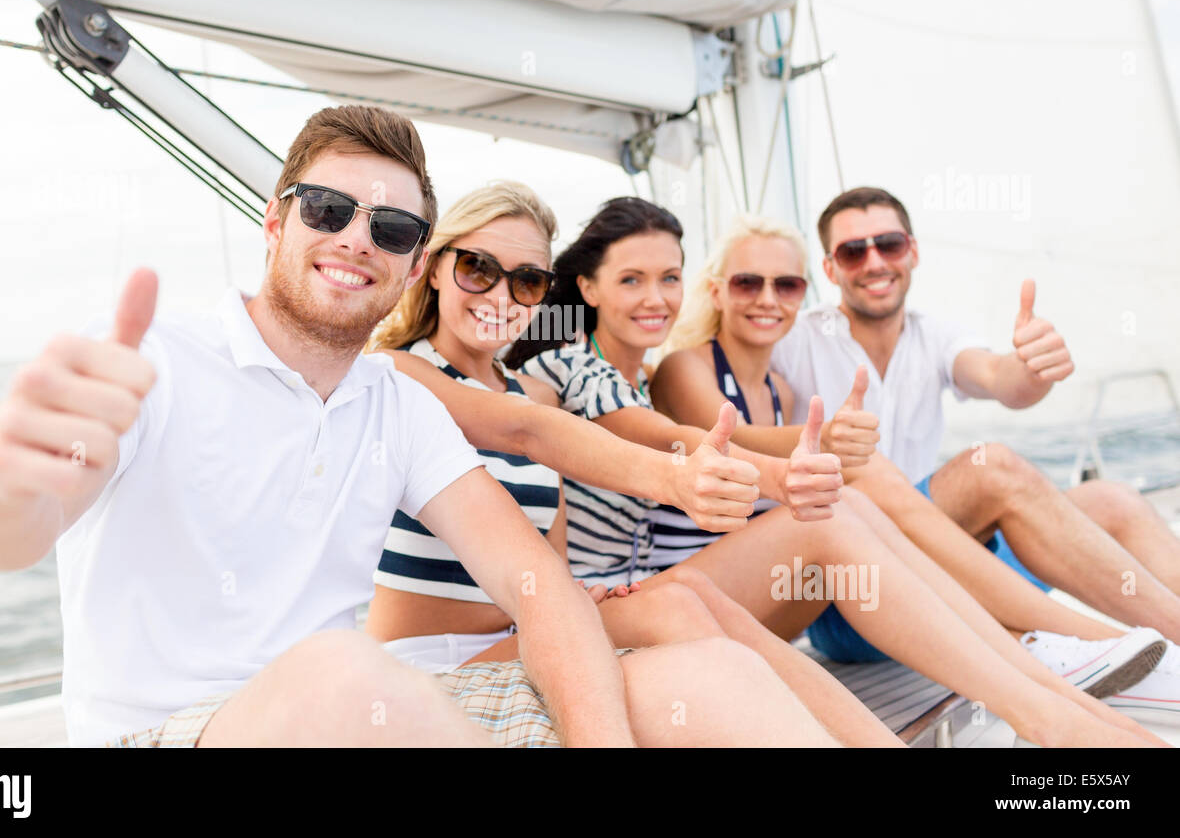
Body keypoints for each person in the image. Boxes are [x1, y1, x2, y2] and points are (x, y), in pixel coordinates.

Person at [0, 105, 803, 749]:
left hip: (361, 714)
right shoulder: (154, 357)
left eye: (390, 227)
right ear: (275, 221)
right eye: (326, 209)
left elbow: (537, 582)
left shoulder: (397, 403)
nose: (357, 238)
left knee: (707, 678)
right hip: (173, 735)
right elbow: (5, 532)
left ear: (411, 264)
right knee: (337, 672)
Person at [497, 197, 1162, 747]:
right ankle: (1051, 670)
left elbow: (997, 379)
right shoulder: (582, 368)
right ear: (585, 287)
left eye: (668, 277)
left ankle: (1051, 665)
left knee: (1090, 497)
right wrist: (804, 459)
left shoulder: (647, 376)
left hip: (704, 590)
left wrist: (1026, 373)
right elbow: (672, 439)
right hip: (650, 599)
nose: (656, 297)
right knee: (854, 492)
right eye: (631, 279)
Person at [367, 180, 905, 746]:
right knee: (675, 607)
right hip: (426, 667)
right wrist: (703, 478)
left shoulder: (535, 392)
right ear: (430, 268)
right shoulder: (399, 375)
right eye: (478, 269)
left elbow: (549, 559)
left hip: (526, 643)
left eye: (526, 281)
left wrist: (581, 597)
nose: (501, 296)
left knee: (685, 597)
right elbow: (526, 432)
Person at [651, 216, 1171, 709]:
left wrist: (1034, 370)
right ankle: (1069, 636)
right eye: (747, 283)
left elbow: (998, 378)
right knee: (907, 473)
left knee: (1110, 499)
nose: (768, 299)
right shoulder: (691, 367)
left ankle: (1126, 638)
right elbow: (731, 439)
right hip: (820, 594)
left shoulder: (783, 384)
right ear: (716, 289)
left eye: (786, 286)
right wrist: (825, 438)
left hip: (907, 560)